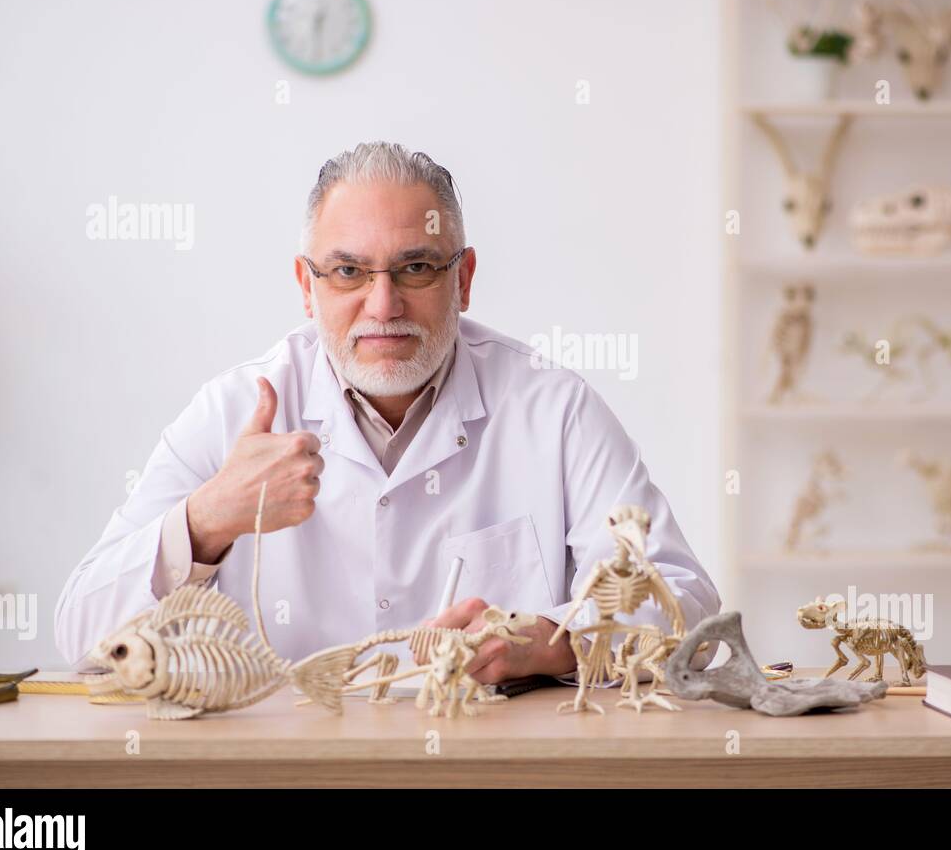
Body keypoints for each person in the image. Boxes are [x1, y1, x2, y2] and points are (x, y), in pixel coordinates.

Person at [54, 142, 720, 687]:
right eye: (348, 271)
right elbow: (82, 636)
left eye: (416, 267)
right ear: (306, 286)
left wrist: (549, 640)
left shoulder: (553, 406)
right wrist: (207, 520)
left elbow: (686, 606)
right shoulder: (235, 410)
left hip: (493, 771)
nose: (382, 305)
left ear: (463, 279)